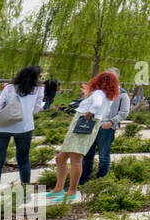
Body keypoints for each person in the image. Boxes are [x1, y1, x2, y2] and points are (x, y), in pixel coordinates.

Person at [49, 70, 119, 204]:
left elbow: (96, 105)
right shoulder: (107, 97)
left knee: (75, 159)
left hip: (83, 124)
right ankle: (59, 189)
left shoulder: (99, 93)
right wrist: (89, 96)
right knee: (61, 158)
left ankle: (71, 191)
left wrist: (89, 113)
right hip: (90, 125)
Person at [0, 65, 43, 192]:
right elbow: (36, 109)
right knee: (24, 160)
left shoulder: (9, 88)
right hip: (24, 128)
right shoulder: (38, 90)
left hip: (2, 128)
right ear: (34, 77)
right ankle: (25, 191)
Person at [80, 69, 130, 185]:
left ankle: (101, 181)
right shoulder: (97, 91)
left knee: (103, 155)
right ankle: (83, 181)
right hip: (91, 125)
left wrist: (111, 122)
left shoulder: (122, 93)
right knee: (87, 155)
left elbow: (124, 112)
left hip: (106, 127)